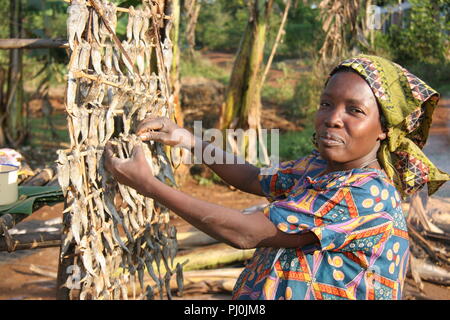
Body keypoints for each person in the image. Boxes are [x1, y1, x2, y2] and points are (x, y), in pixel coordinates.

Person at [104, 55, 449, 300]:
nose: (332, 118)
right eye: (326, 104)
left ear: (385, 130)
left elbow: (245, 233)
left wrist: (148, 185)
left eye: (354, 110)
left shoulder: (365, 195)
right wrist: (187, 140)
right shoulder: (319, 167)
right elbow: (255, 178)